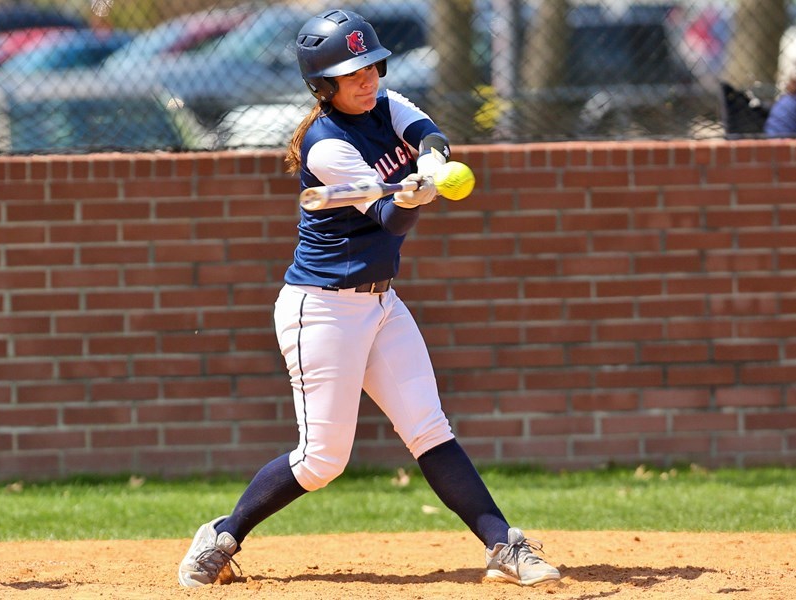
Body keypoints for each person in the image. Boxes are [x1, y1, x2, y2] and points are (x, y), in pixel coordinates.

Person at [178, 8, 561, 589]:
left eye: (370, 66)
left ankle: (504, 546)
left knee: (430, 429)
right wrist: (409, 199)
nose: (367, 79)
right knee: (322, 460)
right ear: (322, 85)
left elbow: (427, 131)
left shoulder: (386, 102)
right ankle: (223, 535)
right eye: (350, 72)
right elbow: (386, 219)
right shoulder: (326, 147)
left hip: (382, 305)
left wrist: (431, 162)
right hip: (321, 310)